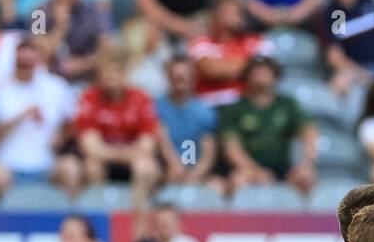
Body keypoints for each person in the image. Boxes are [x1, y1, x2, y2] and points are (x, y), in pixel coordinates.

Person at [0, 37, 79, 198]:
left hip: (46, 162)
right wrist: (23, 115)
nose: (25, 68)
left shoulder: (56, 87)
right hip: (8, 163)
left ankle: (72, 219)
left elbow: (73, 120)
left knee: (70, 167)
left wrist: (61, 136)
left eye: (29, 63)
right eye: (21, 63)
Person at [70, 51, 161, 211]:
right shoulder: (89, 98)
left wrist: (123, 154)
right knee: (92, 167)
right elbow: (90, 147)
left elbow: (146, 147)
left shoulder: (141, 98)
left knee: (146, 167)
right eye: (106, 72)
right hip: (106, 160)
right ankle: (99, 213)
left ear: (125, 74)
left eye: (116, 71)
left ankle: (138, 215)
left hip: (130, 161)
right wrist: (123, 154)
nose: (111, 76)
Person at [219, 56, 318, 196]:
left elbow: (309, 132)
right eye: (256, 71)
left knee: (306, 178)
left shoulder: (287, 105)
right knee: (238, 180)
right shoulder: (235, 109)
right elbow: (231, 148)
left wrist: (306, 164)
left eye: (265, 71)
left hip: (282, 169)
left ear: (275, 76)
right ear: (247, 76)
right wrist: (255, 171)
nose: (261, 74)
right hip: (247, 169)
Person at [188, 0, 271, 108]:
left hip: (245, 105)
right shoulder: (201, 42)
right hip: (210, 105)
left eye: (241, 12)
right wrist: (249, 63)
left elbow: (262, 70)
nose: (240, 16)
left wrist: (225, 64)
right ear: (217, 15)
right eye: (233, 12)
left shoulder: (257, 41)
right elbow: (209, 69)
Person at [154, 57, 217, 189]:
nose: (179, 82)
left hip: (196, 171)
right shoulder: (156, 108)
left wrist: (193, 175)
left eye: (183, 78)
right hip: (164, 171)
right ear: (168, 79)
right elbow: (162, 142)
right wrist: (174, 166)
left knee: (216, 186)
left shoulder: (205, 112)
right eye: (175, 77)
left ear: (193, 79)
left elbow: (208, 154)